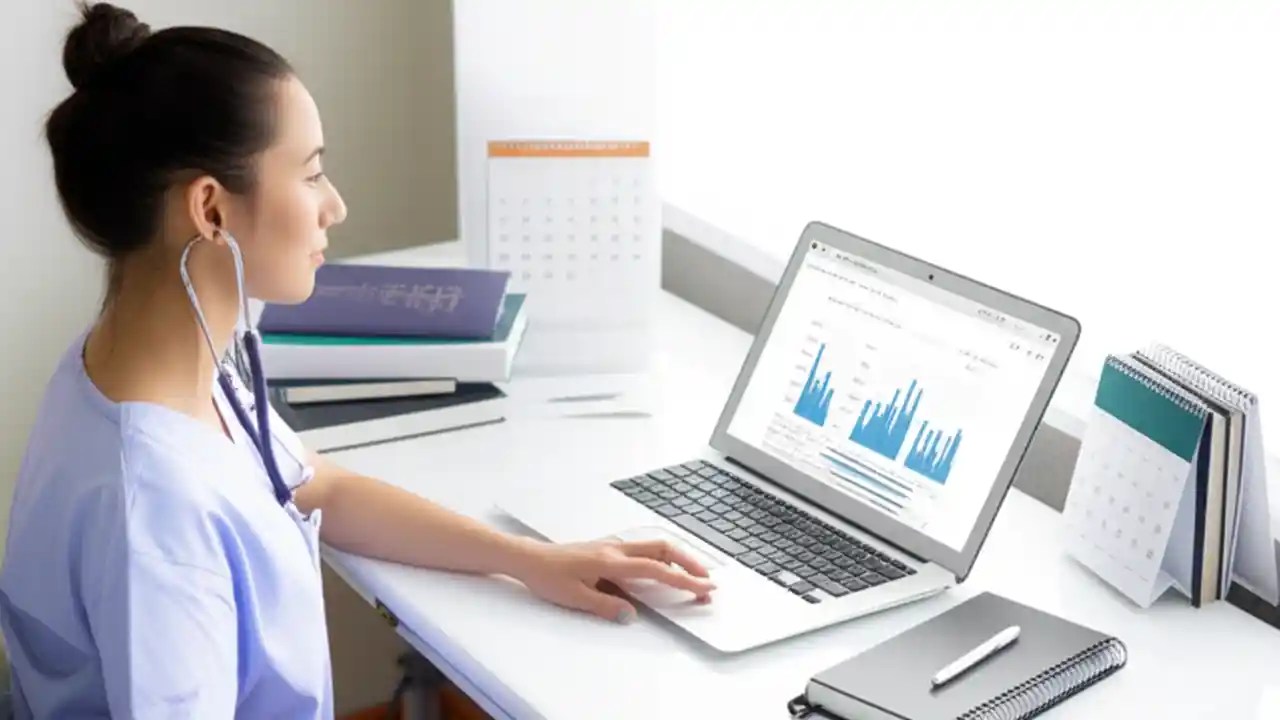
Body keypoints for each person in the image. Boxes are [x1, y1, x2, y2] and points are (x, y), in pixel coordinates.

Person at [0, 3, 715, 717]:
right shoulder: (155, 517)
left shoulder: (145, 368)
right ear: (211, 211)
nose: (334, 205)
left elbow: (313, 487)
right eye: (310, 174)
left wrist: (530, 560)